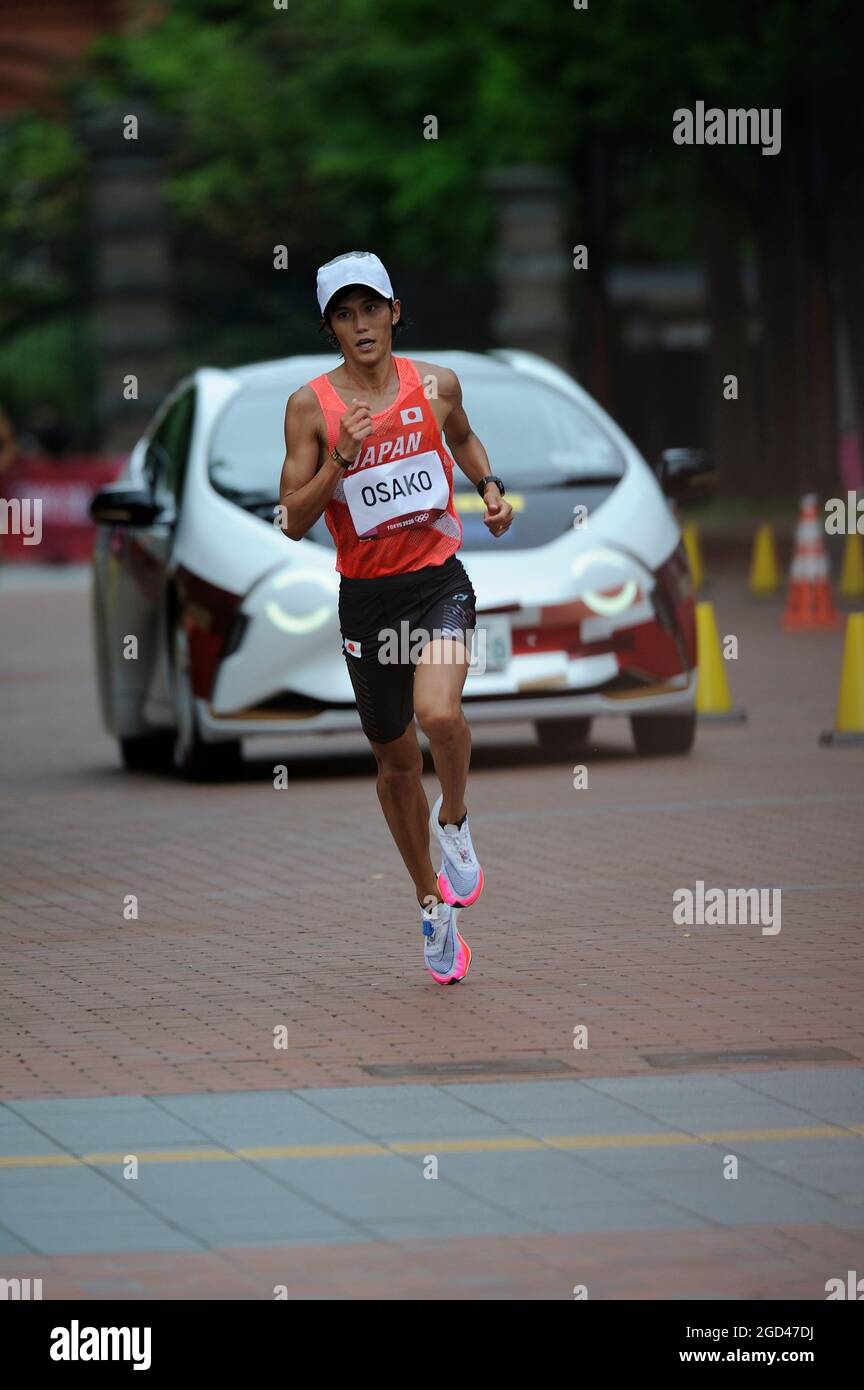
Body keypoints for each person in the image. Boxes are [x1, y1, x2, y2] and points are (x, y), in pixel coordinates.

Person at [279, 252, 513, 983]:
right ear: (331, 328)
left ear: (395, 311)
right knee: (393, 765)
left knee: (439, 716)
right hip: (367, 600)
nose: (361, 326)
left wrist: (490, 485)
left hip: (437, 582)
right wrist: (339, 461)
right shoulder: (309, 407)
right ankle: (430, 905)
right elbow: (291, 518)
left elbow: (464, 437)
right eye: (345, 315)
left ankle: (457, 818)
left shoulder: (435, 383)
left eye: (371, 309)